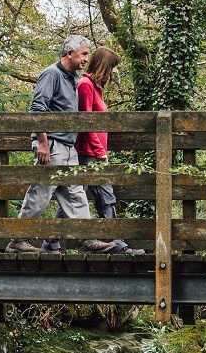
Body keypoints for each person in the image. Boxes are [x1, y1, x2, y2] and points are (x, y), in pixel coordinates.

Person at [5, 35, 115, 254]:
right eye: (83, 54)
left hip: (69, 146)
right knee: (41, 193)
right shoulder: (51, 74)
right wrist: (43, 143)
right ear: (69, 53)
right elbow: (37, 109)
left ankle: (86, 239)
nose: (86, 59)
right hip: (52, 144)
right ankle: (17, 239)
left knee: (76, 194)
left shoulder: (74, 80)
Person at [59, 46, 143, 254]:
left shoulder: (95, 87)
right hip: (88, 152)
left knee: (74, 197)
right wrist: (100, 151)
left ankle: (51, 242)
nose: (114, 72)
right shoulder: (85, 86)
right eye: (113, 67)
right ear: (104, 65)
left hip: (92, 152)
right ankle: (118, 244)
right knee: (105, 196)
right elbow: (85, 122)